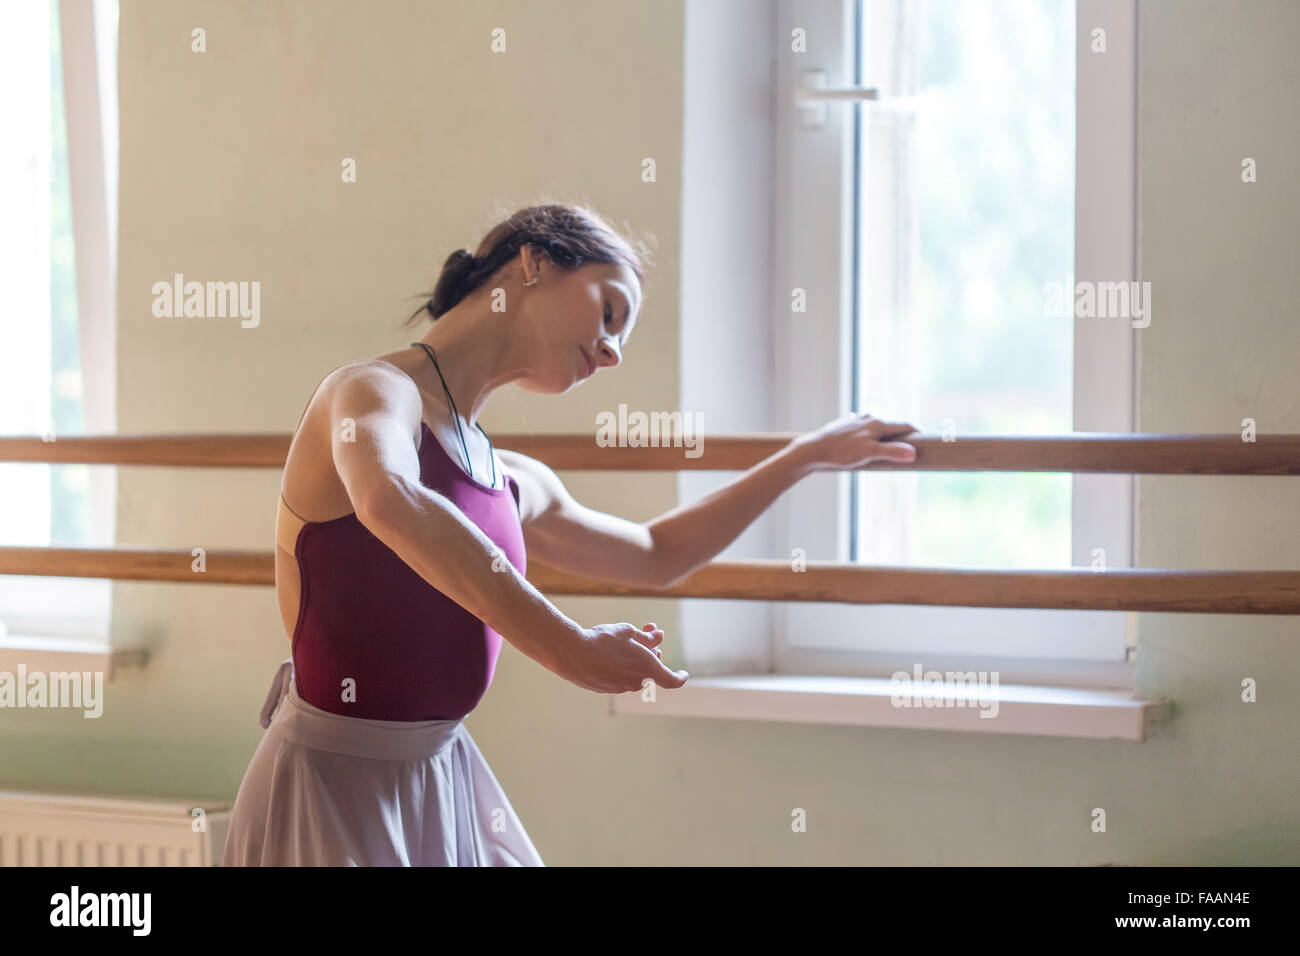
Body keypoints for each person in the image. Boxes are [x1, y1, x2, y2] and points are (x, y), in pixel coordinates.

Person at [221, 203, 918, 866]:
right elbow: (389, 499)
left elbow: (656, 555)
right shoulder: (371, 391)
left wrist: (809, 455)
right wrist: (568, 646)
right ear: (532, 263)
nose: (612, 351)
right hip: (329, 784)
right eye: (609, 310)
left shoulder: (511, 479)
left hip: (443, 777)